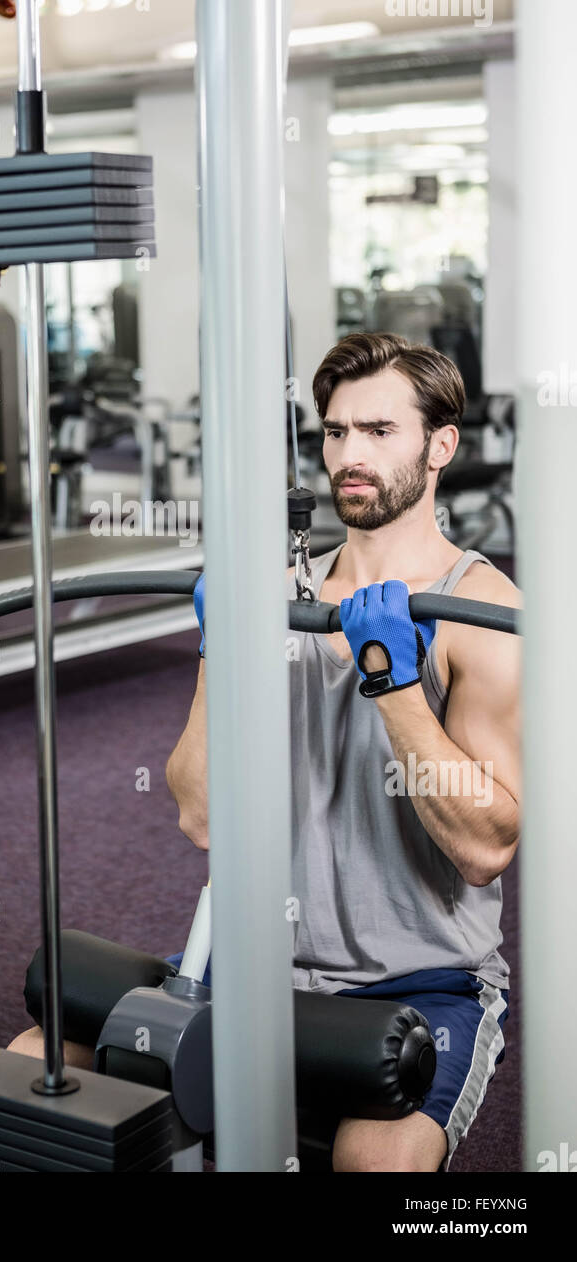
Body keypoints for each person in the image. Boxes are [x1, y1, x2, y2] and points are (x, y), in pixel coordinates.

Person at [166, 331, 521, 1172]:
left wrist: (396, 685)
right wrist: (221, 650)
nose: (349, 454)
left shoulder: (482, 611)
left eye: (378, 431)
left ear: (441, 446)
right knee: (53, 1067)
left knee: (375, 1167)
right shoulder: (279, 596)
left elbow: (483, 848)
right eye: (335, 432)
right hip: (254, 963)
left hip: (422, 984)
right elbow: (200, 814)